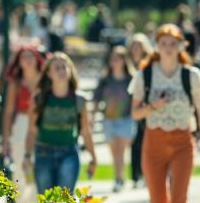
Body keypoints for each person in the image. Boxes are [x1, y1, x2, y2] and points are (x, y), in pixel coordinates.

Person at [129, 24, 200, 203]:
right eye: (163, 43)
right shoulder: (146, 75)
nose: (168, 48)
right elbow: (135, 112)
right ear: (157, 46)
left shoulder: (192, 75)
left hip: (182, 142)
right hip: (153, 142)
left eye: (173, 43)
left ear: (181, 46)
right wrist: (154, 105)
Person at [25, 52, 97, 194]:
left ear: (70, 71)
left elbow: (85, 131)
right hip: (43, 154)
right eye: (56, 68)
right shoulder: (39, 99)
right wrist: (27, 156)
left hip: (69, 153)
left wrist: (93, 158)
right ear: (49, 74)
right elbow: (32, 130)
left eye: (64, 67)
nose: (61, 71)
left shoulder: (80, 100)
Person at [0, 46, 47, 203]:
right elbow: (8, 111)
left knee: (39, 165)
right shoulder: (17, 84)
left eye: (30, 57)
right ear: (19, 62)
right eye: (23, 57)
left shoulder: (45, 81)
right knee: (20, 166)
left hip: (41, 124)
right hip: (21, 124)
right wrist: (6, 139)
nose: (27, 60)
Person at [94, 46, 135, 191]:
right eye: (112, 59)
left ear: (124, 60)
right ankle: (118, 177)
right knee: (114, 151)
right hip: (108, 120)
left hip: (126, 119)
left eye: (117, 59)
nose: (114, 62)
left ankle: (119, 178)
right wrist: (93, 117)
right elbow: (96, 99)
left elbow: (136, 99)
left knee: (121, 150)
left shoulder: (131, 79)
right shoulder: (105, 79)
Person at [126, 33, 153, 188]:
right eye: (133, 45)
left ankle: (143, 175)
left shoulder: (148, 64)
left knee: (142, 141)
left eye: (139, 45)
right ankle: (136, 176)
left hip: (145, 107)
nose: (136, 48)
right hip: (130, 107)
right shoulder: (127, 62)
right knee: (136, 143)